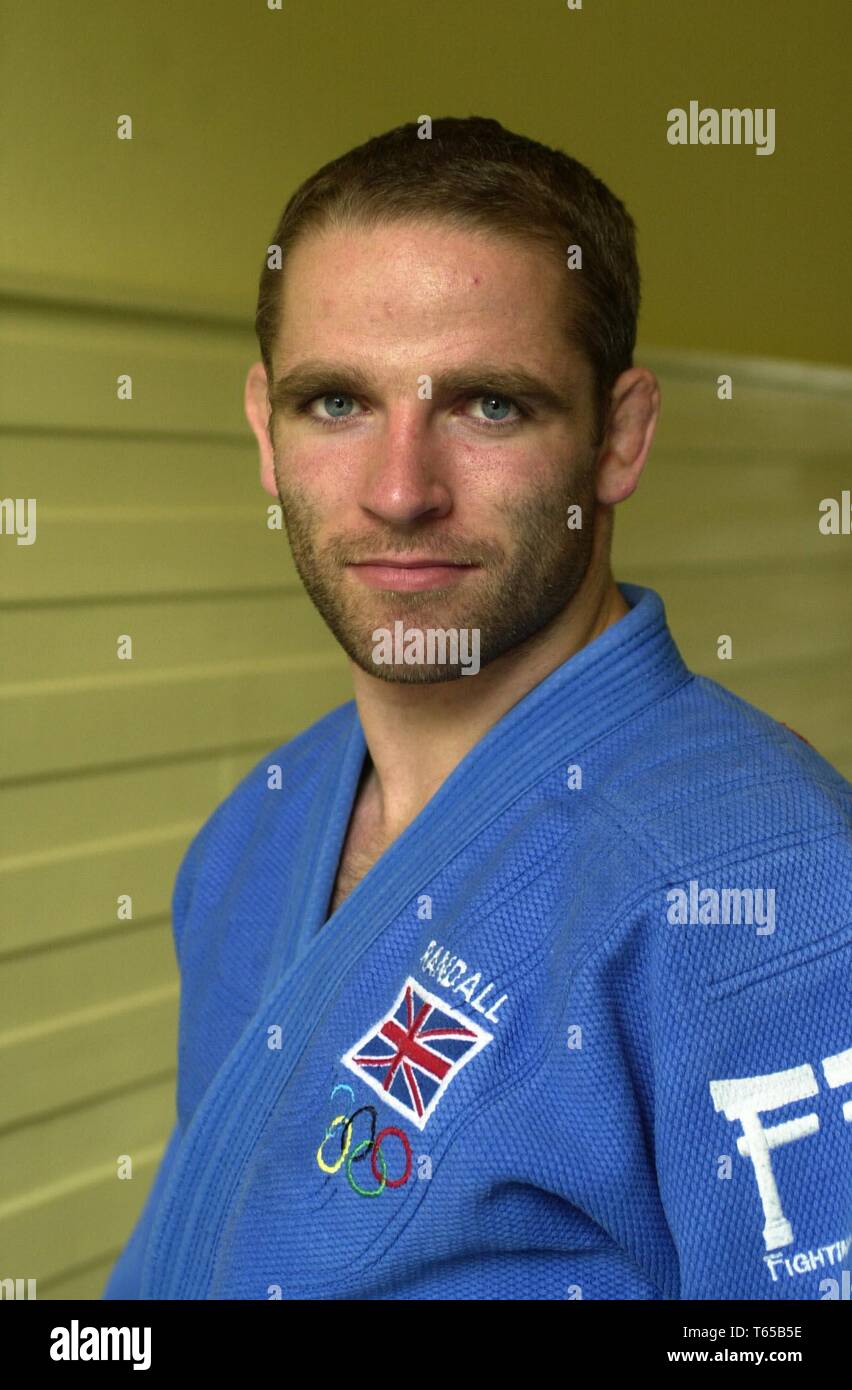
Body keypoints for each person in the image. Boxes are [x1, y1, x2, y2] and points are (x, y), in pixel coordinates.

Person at [103, 116, 851, 1301]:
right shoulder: (250, 837)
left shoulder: (772, 885)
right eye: (336, 403)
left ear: (620, 437)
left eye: (490, 405)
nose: (401, 491)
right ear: (264, 428)